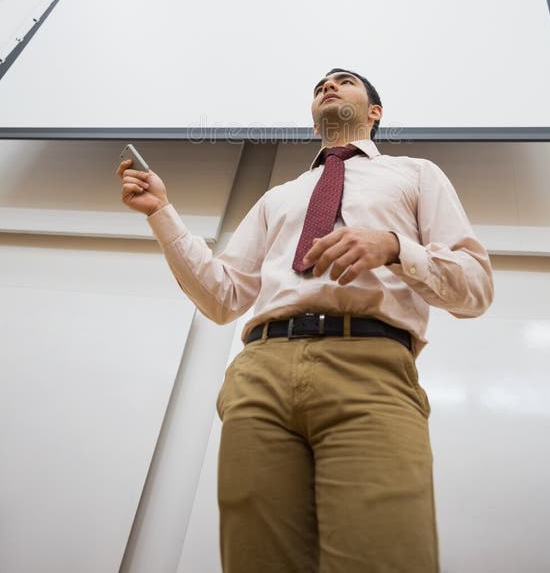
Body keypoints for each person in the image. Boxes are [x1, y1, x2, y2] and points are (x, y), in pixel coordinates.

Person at [117, 67, 493, 573]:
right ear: (313, 121)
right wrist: (161, 213)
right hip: (261, 375)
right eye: (320, 86)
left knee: (384, 558)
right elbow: (224, 296)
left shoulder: (417, 174)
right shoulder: (279, 197)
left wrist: (394, 247)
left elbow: (476, 288)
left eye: (344, 81)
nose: (328, 86)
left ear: (375, 112)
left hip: (371, 370)